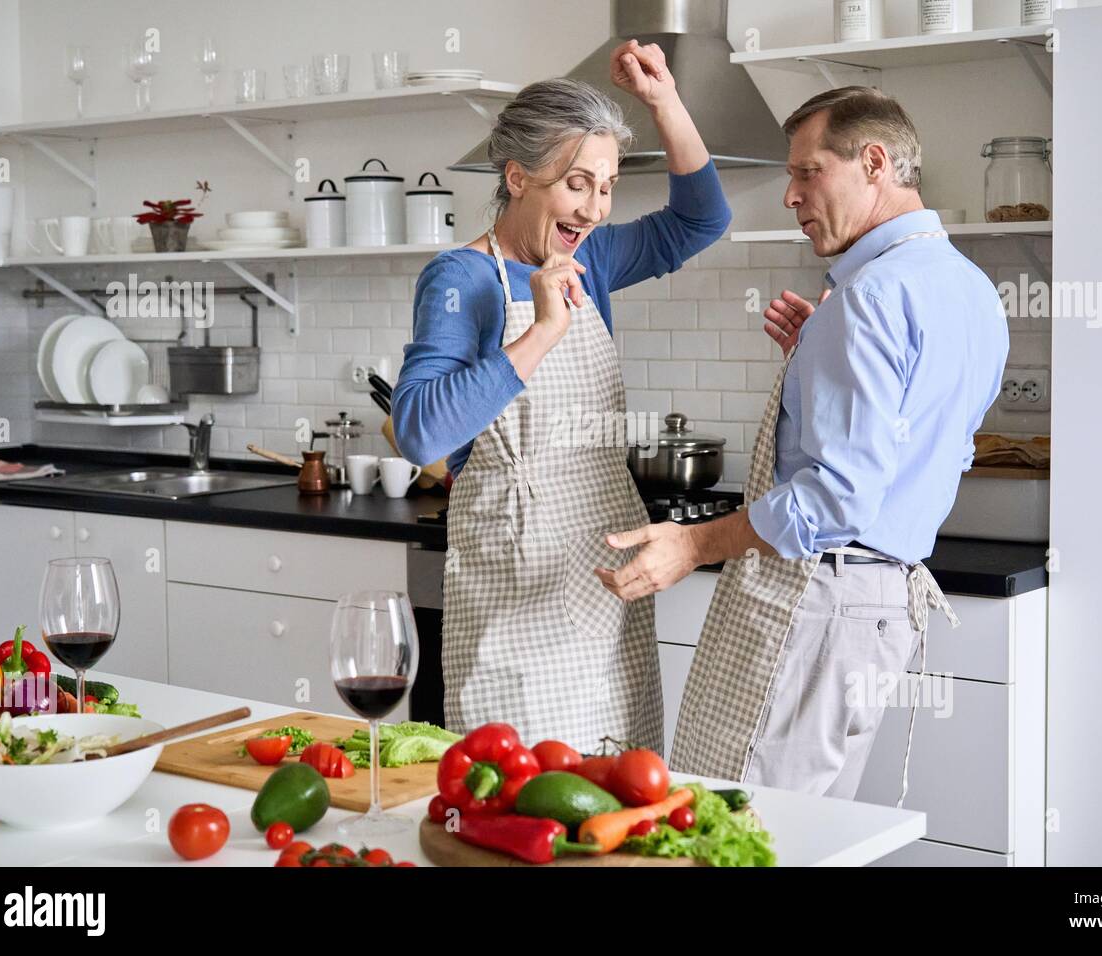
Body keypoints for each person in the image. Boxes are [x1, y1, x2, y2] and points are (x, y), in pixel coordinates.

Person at [596, 86, 1009, 798]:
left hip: (819, 602)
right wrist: (819, 358)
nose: (790, 195)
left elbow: (838, 498)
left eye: (807, 172)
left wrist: (692, 544)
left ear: (874, 163)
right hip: (879, 612)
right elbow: (939, 446)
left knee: (736, 827)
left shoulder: (871, 298)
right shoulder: (971, 290)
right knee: (809, 838)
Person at [393, 41, 731, 753]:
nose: (596, 208)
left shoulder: (592, 259)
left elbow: (702, 221)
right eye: (579, 183)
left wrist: (664, 100)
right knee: (521, 796)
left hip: (603, 580)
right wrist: (544, 330)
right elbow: (420, 432)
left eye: (607, 187)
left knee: (615, 796)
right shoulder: (460, 278)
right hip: (517, 586)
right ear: (517, 177)